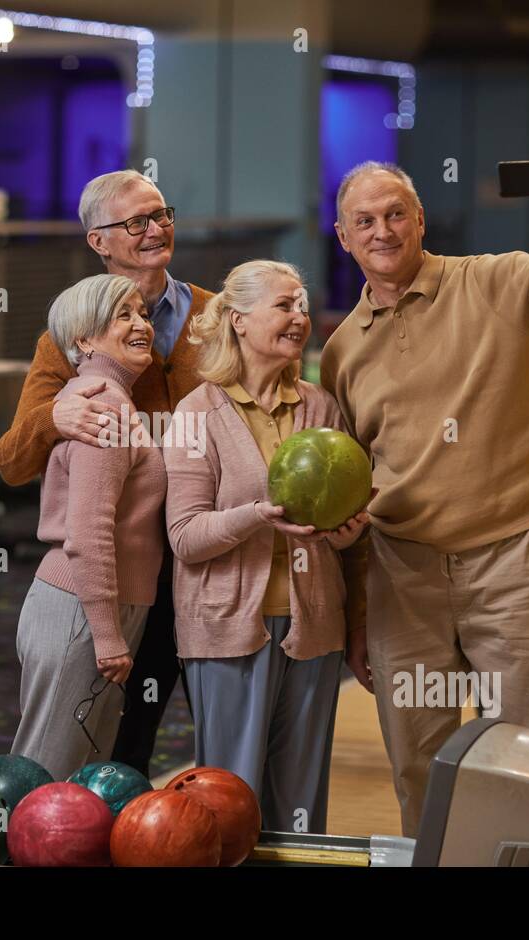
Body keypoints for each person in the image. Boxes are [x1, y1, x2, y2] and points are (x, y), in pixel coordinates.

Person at [321, 153, 529, 836]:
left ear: (420, 219)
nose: (383, 230)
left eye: (396, 214)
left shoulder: (492, 282)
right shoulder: (342, 352)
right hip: (403, 573)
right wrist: (360, 606)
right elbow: (351, 489)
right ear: (343, 236)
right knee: (417, 759)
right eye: (364, 220)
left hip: (510, 556)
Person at [0, 169, 213, 776]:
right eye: (134, 222)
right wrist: (54, 417)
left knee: (222, 741)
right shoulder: (69, 338)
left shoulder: (220, 319)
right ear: (99, 242)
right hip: (121, 577)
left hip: (210, 566)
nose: (154, 230)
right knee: (117, 748)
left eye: (161, 214)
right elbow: (12, 461)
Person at [162, 259, 369, 833]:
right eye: (284, 305)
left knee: (300, 805)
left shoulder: (320, 407)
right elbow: (185, 537)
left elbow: (344, 517)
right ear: (238, 320)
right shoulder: (194, 414)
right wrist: (259, 515)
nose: (300, 317)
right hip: (227, 628)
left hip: (315, 628)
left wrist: (349, 529)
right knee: (229, 801)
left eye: (303, 304)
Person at [10, 274, 167, 781]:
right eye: (122, 315)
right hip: (82, 608)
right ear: (84, 339)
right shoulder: (106, 405)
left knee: (79, 780)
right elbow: (88, 529)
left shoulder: (110, 398)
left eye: (141, 313)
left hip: (97, 606)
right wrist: (107, 634)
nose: (140, 324)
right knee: (44, 776)